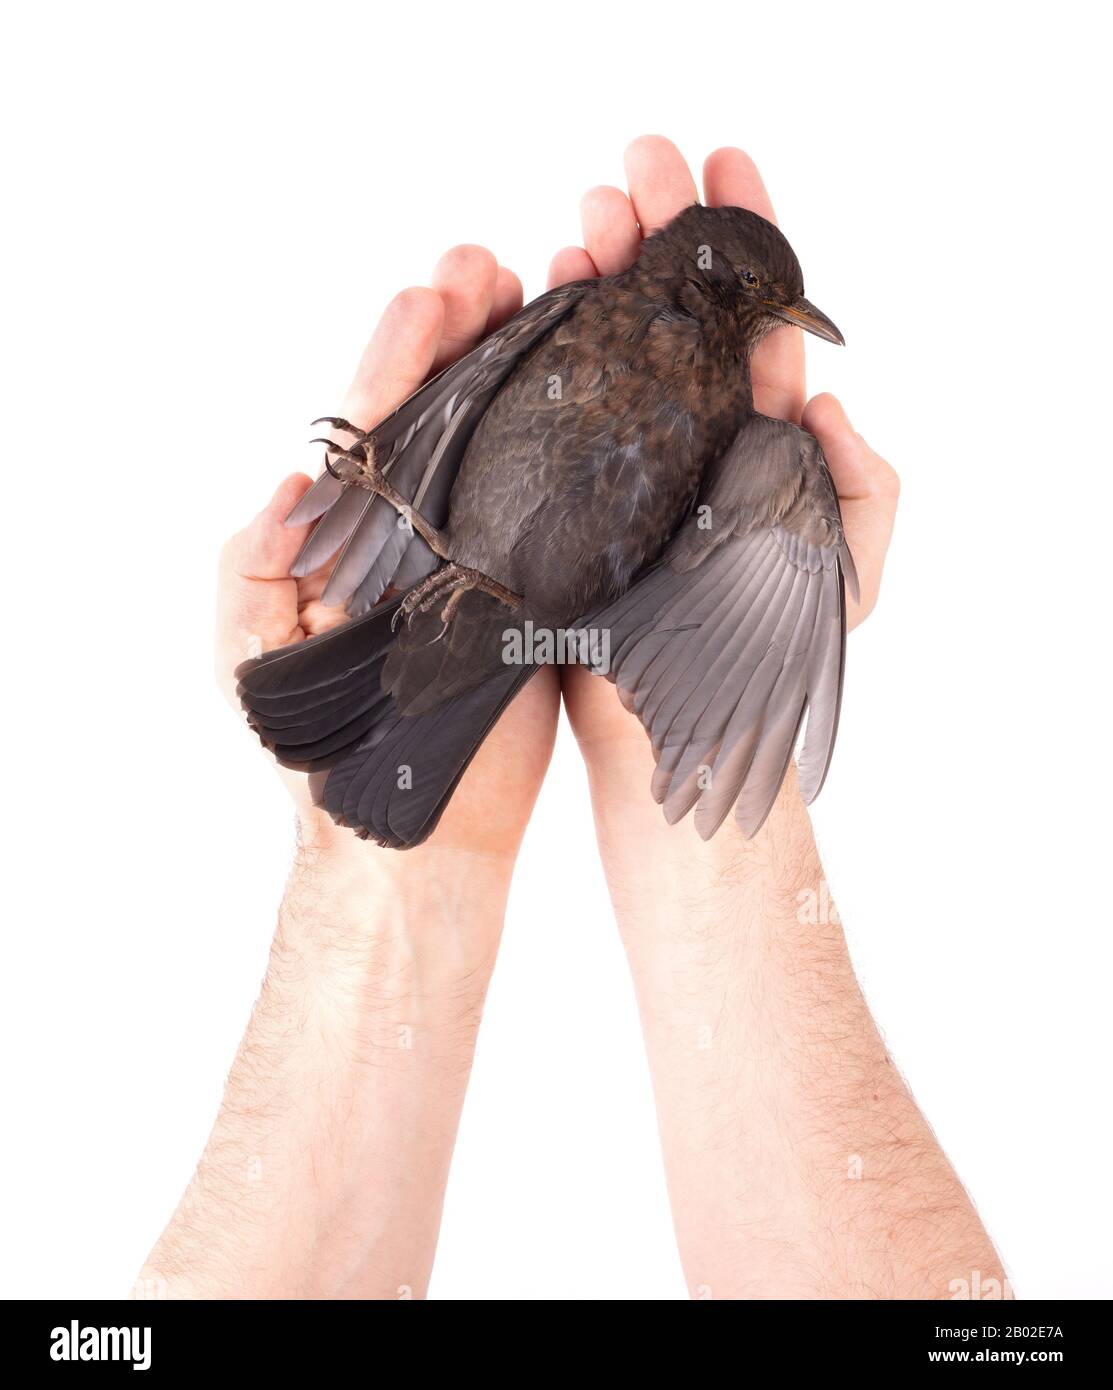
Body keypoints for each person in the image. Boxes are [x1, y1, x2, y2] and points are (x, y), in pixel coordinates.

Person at [139, 136, 1007, 1300]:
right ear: (708, 285)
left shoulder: (726, 423)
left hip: (512, 600)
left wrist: (714, 802)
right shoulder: (605, 327)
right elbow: (478, 381)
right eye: (762, 300)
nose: (777, 318)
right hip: (458, 592)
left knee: (787, 484)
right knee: (785, 483)